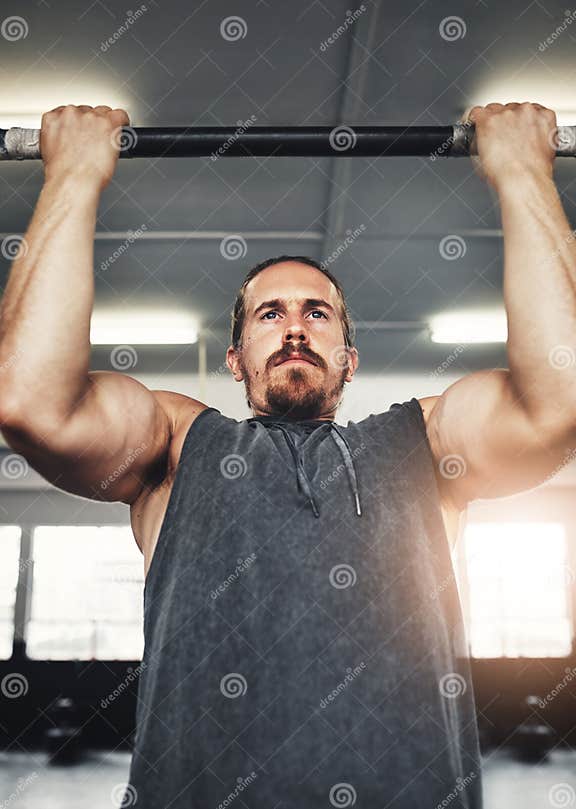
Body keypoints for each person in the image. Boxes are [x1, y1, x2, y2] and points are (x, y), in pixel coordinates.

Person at [1, 102, 575, 809]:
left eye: (317, 312)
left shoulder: (424, 447)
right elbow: (30, 403)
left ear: (349, 358)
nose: (296, 327)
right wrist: (76, 174)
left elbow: (562, 401)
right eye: (270, 313)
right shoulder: (178, 447)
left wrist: (521, 173)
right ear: (237, 360)